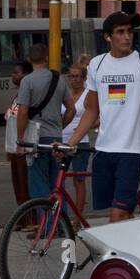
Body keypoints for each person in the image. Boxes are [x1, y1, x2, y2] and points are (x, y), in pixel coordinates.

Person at [63, 12, 140, 223]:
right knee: (118, 213)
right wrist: (71, 143)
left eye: (130, 32)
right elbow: (92, 110)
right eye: (120, 32)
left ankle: (113, 256)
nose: (127, 37)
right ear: (108, 37)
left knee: (116, 216)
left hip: (132, 151)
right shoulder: (97, 64)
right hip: (104, 150)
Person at [16, 45, 75, 200]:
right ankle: (60, 221)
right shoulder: (59, 80)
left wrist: (20, 139)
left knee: (39, 186)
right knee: (57, 185)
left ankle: (47, 223)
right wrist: (59, 126)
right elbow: (71, 110)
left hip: (36, 140)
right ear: (47, 58)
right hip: (56, 139)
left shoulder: (27, 81)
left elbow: (22, 112)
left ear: (29, 60)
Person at [62, 63, 92, 220]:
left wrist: (81, 130)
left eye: (77, 76)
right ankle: (61, 215)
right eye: (71, 76)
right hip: (63, 141)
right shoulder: (64, 94)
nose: (74, 80)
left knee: (78, 180)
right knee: (58, 180)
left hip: (80, 143)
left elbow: (97, 119)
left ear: (84, 78)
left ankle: (78, 218)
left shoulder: (88, 95)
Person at [4, 60, 33, 206]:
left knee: (25, 184)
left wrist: (21, 143)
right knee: (18, 184)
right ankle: (23, 220)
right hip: (15, 147)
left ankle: (31, 219)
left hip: (24, 146)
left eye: (17, 73)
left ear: (27, 75)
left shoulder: (29, 95)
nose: (13, 75)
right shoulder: (17, 96)